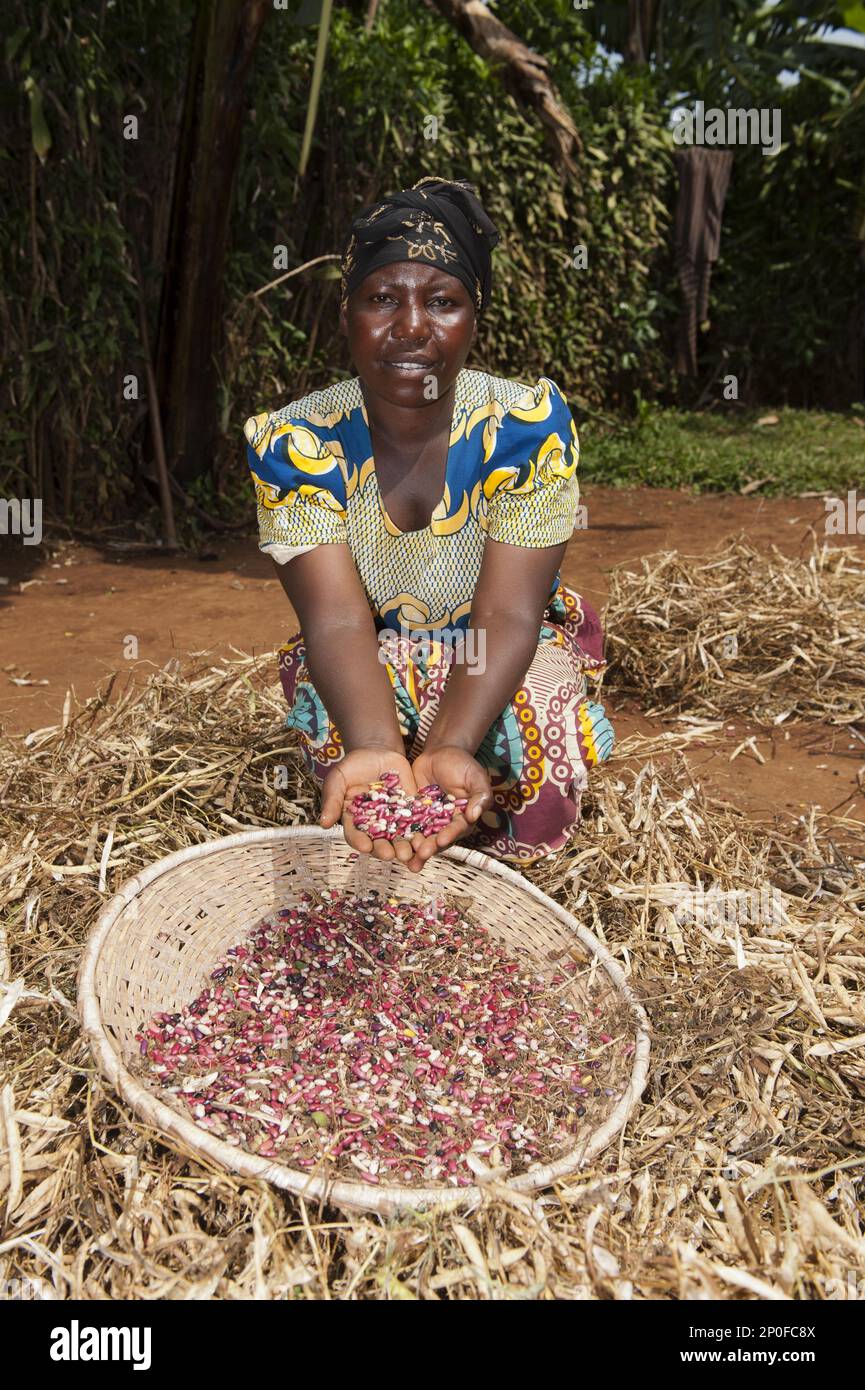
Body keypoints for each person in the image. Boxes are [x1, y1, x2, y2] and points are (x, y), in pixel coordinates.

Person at [244, 176, 614, 872]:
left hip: (499, 642)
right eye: (382, 298)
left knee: (538, 715)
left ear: (475, 318)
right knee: (339, 726)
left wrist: (450, 742)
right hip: (370, 641)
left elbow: (507, 612)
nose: (411, 325)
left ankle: (506, 875)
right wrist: (377, 749)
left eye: (441, 301)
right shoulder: (296, 441)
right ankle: (396, 864)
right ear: (346, 312)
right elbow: (336, 623)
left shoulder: (523, 428)